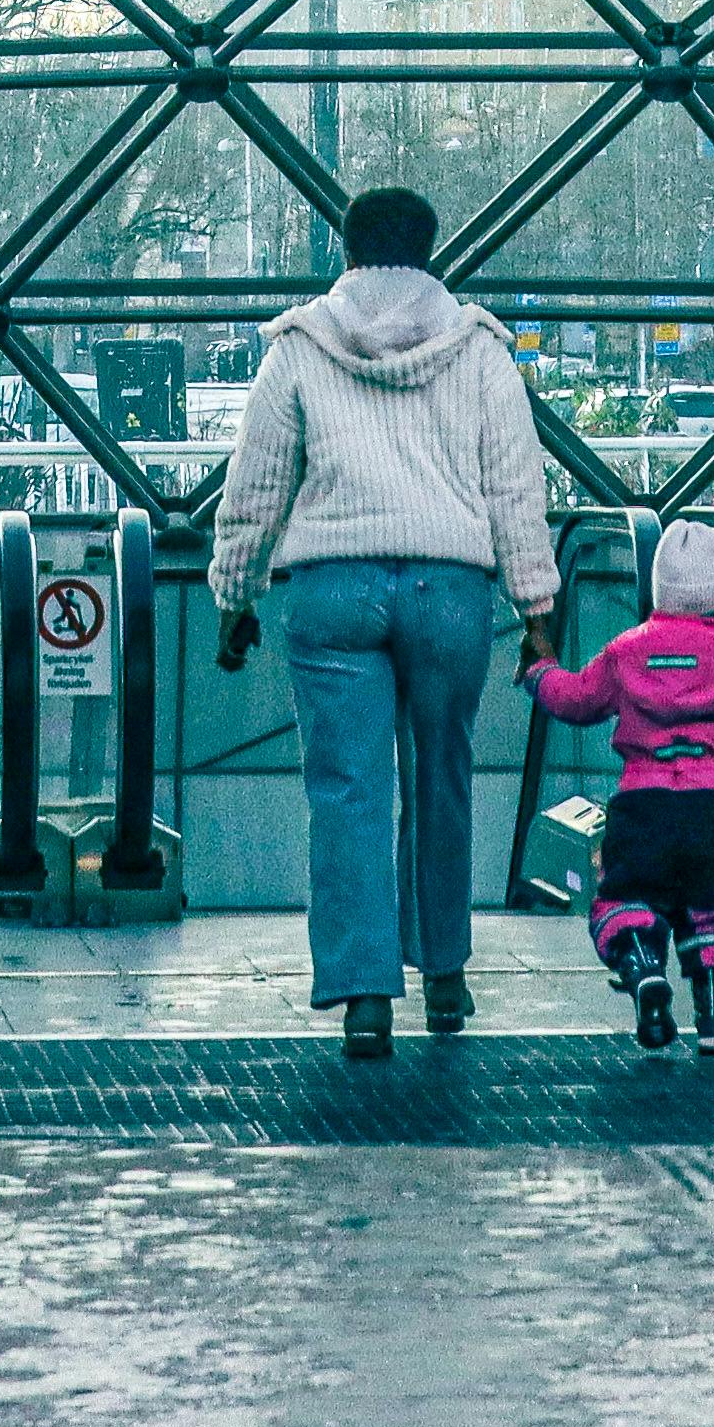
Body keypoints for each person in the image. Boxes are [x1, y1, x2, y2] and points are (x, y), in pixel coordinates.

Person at [204, 183, 560, 1057]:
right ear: (433, 247)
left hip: (333, 587)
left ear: (346, 247)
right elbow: (516, 488)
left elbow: (254, 487)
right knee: (442, 777)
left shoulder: (300, 345)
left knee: (349, 792)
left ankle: (366, 996)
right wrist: (539, 613)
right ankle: (444, 976)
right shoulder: (479, 350)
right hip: (452, 590)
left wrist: (234, 595)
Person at [531, 517, 714, 1058]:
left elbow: (576, 700)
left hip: (643, 805)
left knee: (626, 897)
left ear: (660, 589)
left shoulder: (626, 652)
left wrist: (541, 672)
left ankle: (641, 967)